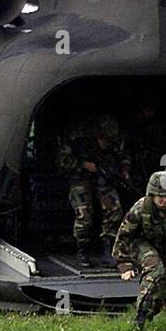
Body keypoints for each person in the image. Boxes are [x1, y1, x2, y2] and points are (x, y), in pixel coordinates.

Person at [112, 170, 166, 331]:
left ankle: (150, 312)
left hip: (164, 246)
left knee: (164, 284)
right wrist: (124, 264)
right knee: (155, 269)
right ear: (151, 195)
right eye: (160, 195)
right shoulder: (140, 209)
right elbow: (124, 236)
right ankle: (139, 318)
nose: (164, 200)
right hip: (139, 242)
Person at [57, 112, 130, 263]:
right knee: (84, 214)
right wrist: (82, 165)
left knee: (114, 209)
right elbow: (61, 160)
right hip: (80, 178)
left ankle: (109, 248)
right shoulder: (77, 139)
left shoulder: (114, 137)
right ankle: (82, 249)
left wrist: (124, 169)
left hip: (103, 177)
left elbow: (124, 155)